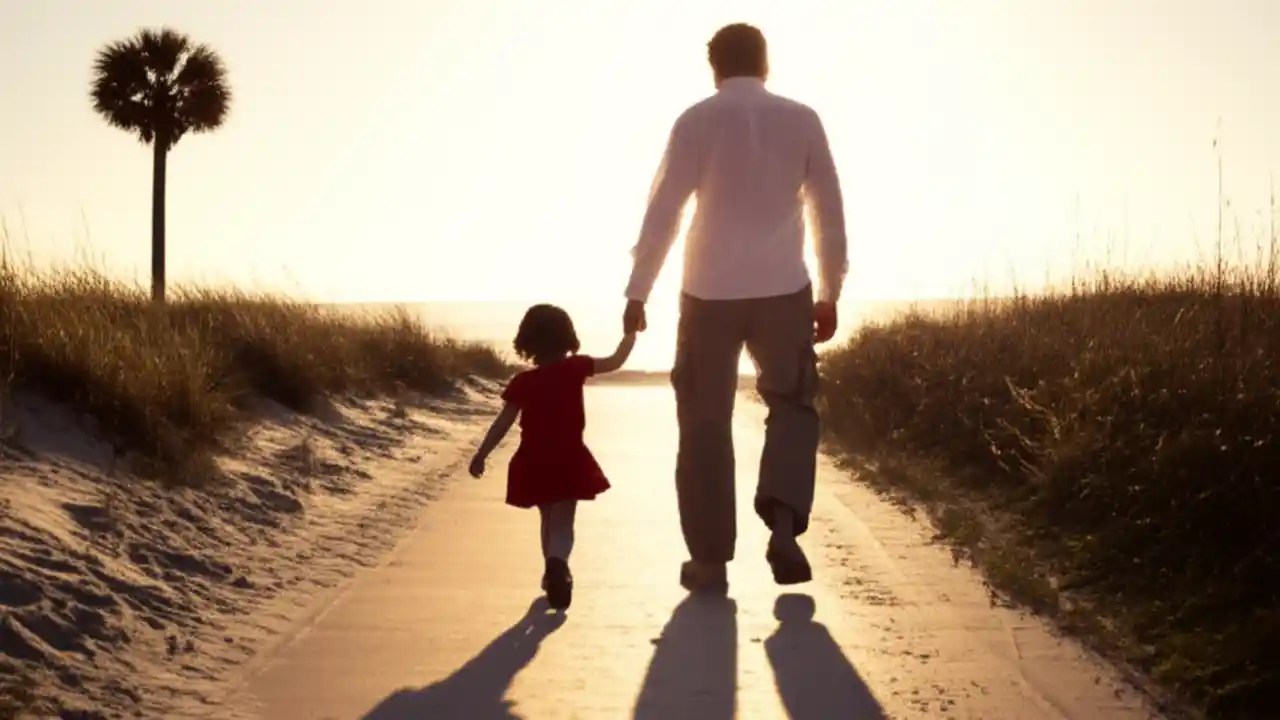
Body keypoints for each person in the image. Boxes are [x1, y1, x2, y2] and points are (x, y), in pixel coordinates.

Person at [622, 23, 848, 593]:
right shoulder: (802, 119)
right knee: (793, 407)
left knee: (703, 422)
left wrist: (638, 291)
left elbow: (665, 211)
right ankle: (783, 529)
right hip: (783, 289)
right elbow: (828, 209)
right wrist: (830, 291)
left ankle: (709, 560)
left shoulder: (696, 120)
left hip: (708, 292)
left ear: (714, 68)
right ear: (765, 63)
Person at [469, 304, 637, 610]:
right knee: (563, 520)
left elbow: (503, 423)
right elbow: (616, 360)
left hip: (533, 459)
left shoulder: (523, 382)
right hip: (568, 455)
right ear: (567, 337)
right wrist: (631, 333)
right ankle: (558, 564)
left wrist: (482, 454)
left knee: (547, 516)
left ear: (527, 341)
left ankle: (551, 570)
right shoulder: (576, 368)